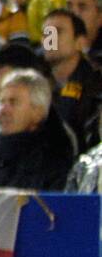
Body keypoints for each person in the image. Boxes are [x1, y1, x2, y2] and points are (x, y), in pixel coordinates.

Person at [0, 69, 75, 191]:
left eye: (13, 102)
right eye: (1, 102)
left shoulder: (55, 163)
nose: (3, 110)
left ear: (38, 112)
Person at [42, 8, 102, 151]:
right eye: (46, 33)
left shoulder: (97, 85)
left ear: (80, 42)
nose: (51, 39)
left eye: (58, 31)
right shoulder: (35, 82)